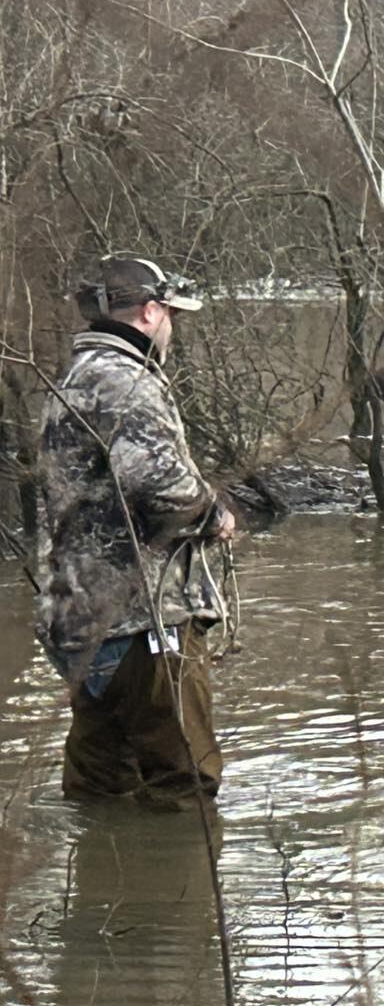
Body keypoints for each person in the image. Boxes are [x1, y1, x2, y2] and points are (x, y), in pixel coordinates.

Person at [37, 255, 235, 809]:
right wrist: (216, 517)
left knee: (101, 789)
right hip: (142, 621)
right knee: (184, 785)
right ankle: (187, 892)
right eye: (170, 312)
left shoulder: (75, 377)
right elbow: (159, 486)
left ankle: (105, 891)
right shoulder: (124, 380)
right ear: (150, 312)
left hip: (80, 622)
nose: (172, 324)